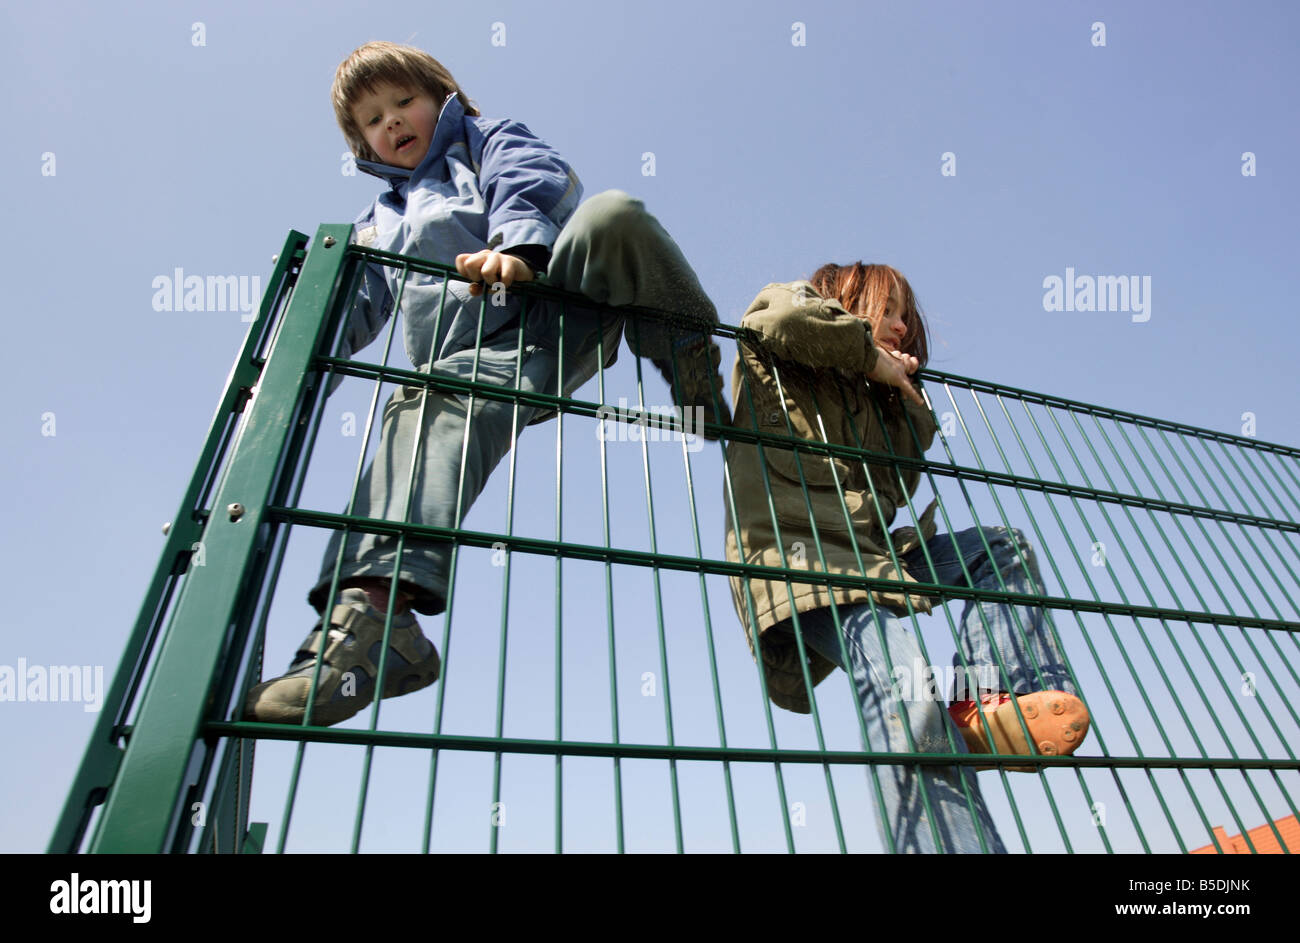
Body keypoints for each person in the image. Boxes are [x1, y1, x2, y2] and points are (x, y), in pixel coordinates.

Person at [245, 41, 730, 726]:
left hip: (558, 302)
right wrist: (291, 355)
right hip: (477, 360)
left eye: (402, 102)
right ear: (363, 144)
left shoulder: (484, 137)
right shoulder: (376, 224)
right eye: (371, 120)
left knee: (617, 215)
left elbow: (529, 176)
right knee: (423, 408)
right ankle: (379, 624)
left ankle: (688, 357)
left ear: (440, 96)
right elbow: (351, 308)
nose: (391, 122)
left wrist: (518, 248)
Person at [722, 262, 1089, 853]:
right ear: (846, 295)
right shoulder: (785, 323)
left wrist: (899, 392)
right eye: (888, 310)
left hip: (872, 559)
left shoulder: (872, 402)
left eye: (904, 320)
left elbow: (899, 480)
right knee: (907, 687)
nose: (899, 327)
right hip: (800, 563)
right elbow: (782, 319)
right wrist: (869, 357)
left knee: (1002, 550)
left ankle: (998, 699)